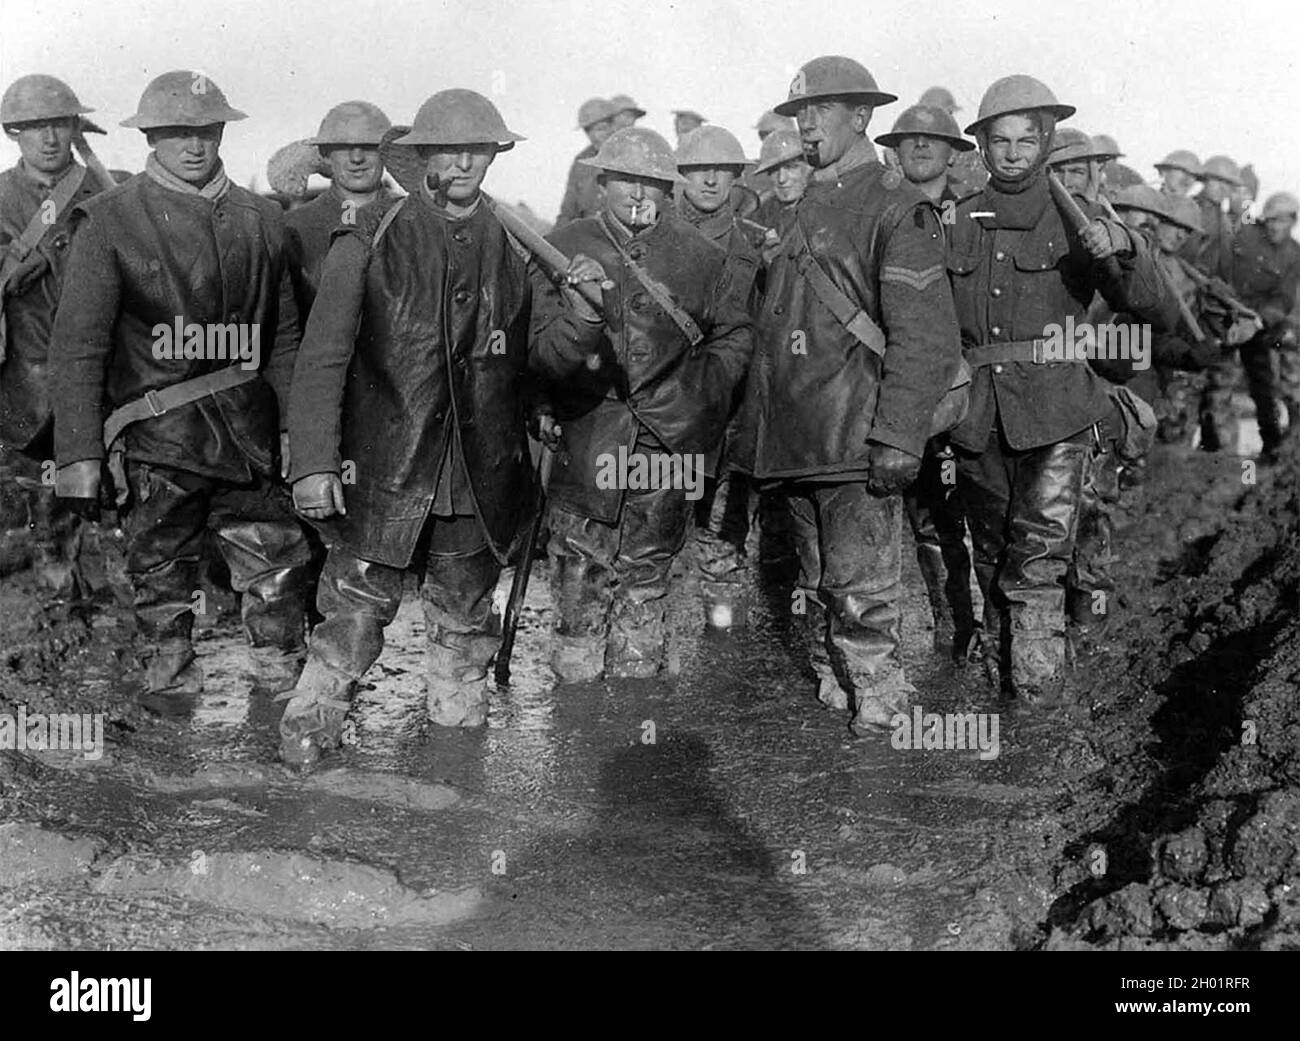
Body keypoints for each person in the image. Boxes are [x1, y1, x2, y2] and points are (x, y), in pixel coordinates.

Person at [280, 89, 608, 766]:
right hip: (384, 475)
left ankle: (454, 774)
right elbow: (321, 360)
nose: (462, 162)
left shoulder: (516, 247)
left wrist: (584, 316)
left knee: (463, 629)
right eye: (447, 149)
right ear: (421, 156)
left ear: (493, 155)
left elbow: (537, 359)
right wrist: (313, 463)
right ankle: (304, 751)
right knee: (351, 622)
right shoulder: (368, 237)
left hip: (477, 477)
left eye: (477, 149)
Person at [51, 70, 312, 706]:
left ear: (222, 131)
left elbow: (283, 341)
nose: (194, 146)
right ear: (151, 137)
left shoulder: (263, 221)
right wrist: (81, 457)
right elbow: (79, 347)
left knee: (278, 575)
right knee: (161, 588)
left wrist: (291, 436)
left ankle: (278, 711)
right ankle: (169, 724)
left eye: (205, 131)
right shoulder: (109, 222)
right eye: (176, 134)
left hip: (250, 439)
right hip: (158, 440)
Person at [732, 56, 961, 733]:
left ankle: (880, 708)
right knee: (816, 579)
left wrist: (898, 434)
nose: (805, 123)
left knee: (862, 587)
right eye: (799, 113)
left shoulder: (896, 204)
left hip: (856, 437)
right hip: (797, 437)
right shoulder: (794, 206)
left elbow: (925, 337)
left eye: (821, 111)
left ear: (861, 117)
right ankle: (839, 687)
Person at [946, 74, 1174, 701]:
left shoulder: (1081, 220)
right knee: (990, 554)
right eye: (1000, 141)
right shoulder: (958, 220)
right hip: (976, 417)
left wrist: (1123, 246)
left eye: (1027, 139)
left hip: (1057, 412)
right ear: (982, 148)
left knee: (1039, 556)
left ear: (1046, 142)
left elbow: (1149, 303)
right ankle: (1002, 677)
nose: (1014, 152)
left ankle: (1038, 694)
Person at [538, 126, 754, 682]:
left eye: (651, 185)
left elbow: (735, 336)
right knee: (578, 575)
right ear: (602, 183)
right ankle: (578, 710)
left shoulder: (703, 256)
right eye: (625, 182)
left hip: (670, 436)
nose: (638, 195)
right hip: (587, 434)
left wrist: (700, 395)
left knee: (648, 576)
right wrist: (542, 402)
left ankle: (635, 712)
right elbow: (533, 344)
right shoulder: (562, 245)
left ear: (668, 190)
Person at [0, 74, 113, 596]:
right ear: (13, 133)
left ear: (76, 129)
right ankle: (52, 590)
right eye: (35, 127)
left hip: (103, 367)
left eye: (59, 125)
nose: (48, 139)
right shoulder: (0, 196)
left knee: (114, 489)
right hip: (23, 370)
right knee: (36, 490)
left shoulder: (108, 194)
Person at [874, 102, 978, 659]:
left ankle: (976, 629)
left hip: (966, 389)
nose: (919, 148)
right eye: (909, 139)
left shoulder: (975, 218)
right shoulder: (883, 213)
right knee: (925, 518)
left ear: (953, 153)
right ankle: (950, 629)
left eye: (932, 141)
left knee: (972, 514)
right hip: (908, 388)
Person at [675, 124, 767, 630]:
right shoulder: (655, 238)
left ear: (736, 177)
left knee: (725, 531)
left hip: (735, 407)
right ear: (680, 175)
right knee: (659, 531)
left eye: (722, 171)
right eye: (697, 170)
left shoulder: (756, 245)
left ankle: (722, 639)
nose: (710, 180)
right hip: (669, 406)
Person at [1222, 191, 1300, 460]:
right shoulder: (1246, 232)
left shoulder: (1294, 255)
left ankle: (1272, 447)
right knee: (1217, 382)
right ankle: (1217, 449)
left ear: (1293, 221)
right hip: (1224, 316)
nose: (1274, 227)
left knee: (1264, 389)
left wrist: (1258, 322)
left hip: (1259, 327)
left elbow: (1284, 298)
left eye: (1281, 221)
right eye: (1270, 221)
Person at [557, 97, 617, 227]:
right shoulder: (582, 162)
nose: (595, 136)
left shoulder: (634, 155)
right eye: (588, 131)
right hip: (589, 237)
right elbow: (568, 212)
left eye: (601, 128)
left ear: (614, 126)